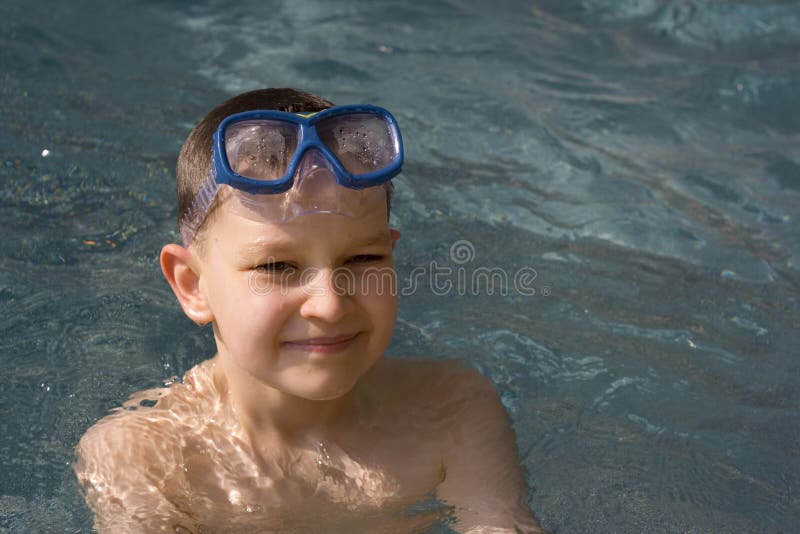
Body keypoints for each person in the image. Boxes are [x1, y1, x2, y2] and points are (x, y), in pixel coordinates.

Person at [74, 88, 543, 533]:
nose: (330, 305)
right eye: (277, 266)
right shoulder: (142, 456)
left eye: (362, 258)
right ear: (193, 285)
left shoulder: (451, 407)